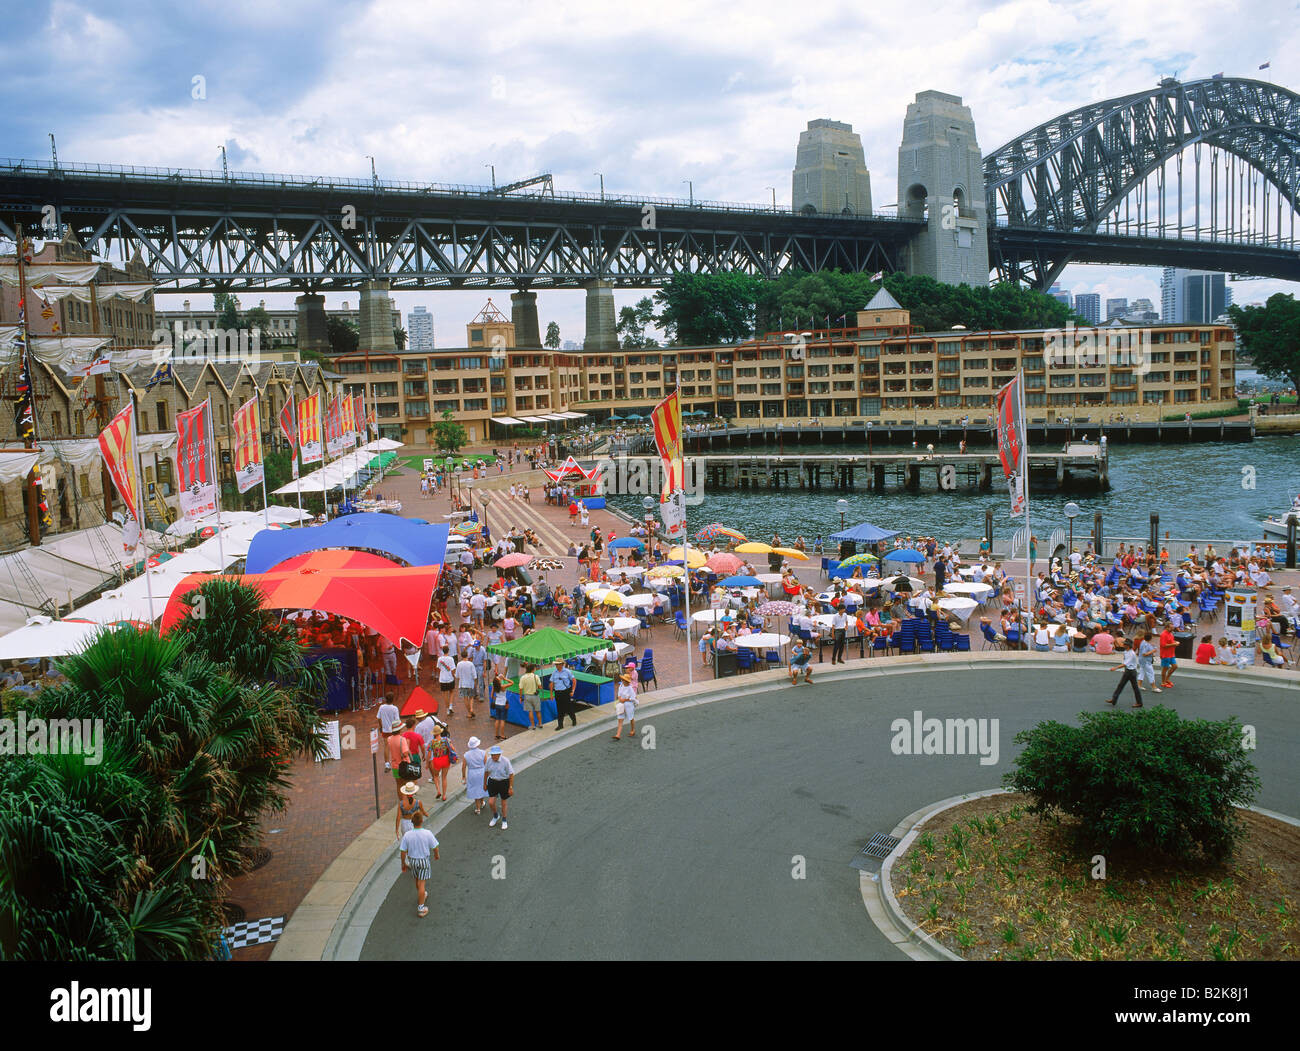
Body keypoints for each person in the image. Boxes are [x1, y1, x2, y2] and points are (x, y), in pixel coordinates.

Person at [399, 811, 440, 918]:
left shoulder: (407, 835)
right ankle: (421, 908)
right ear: (421, 821)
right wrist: (436, 855)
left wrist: (403, 863)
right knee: (422, 884)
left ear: (412, 822)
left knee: (417, 880)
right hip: (423, 860)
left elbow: (403, 851)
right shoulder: (427, 833)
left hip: (413, 860)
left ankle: (422, 895)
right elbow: (435, 846)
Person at [484, 744, 515, 830]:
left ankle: (504, 819)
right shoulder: (489, 760)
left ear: (499, 754)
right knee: (491, 802)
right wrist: (484, 784)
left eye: (495, 755)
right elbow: (486, 772)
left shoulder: (505, 761)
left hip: (503, 782)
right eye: (492, 755)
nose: (493, 756)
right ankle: (496, 816)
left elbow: (511, 774)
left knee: (503, 802)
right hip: (492, 782)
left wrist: (510, 787)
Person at [1105, 637, 1142, 708]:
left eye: (1124, 644)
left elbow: (1125, 663)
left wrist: (1115, 668)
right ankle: (1114, 699)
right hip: (1128, 671)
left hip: (1131, 672)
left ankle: (1139, 703)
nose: (1123, 645)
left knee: (1134, 688)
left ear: (1127, 646)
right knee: (1121, 685)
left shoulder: (1131, 654)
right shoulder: (1126, 651)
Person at [462, 735, 488, 815]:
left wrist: (463, 776)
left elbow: (463, 767)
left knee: (475, 789)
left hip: (472, 773)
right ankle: (482, 801)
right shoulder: (483, 753)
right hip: (482, 772)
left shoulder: (466, 755)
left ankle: (478, 808)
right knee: (482, 787)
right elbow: (486, 764)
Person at [428, 724, 456, 800]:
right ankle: (444, 795)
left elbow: (429, 755)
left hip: (437, 760)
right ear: (440, 732)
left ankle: (438, 791)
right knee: (444, 778)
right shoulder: (446, 740)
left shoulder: (432, 742)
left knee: (436, 776)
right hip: (445, 759)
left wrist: (428, 763)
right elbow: (453, 748)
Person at [550, 657, 577, 729]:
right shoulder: (554, 673)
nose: (556, 666)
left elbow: (574, 680)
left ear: (562, 664)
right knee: (559, 709)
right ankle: (560, 725)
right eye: (556, 664)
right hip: (557, 693)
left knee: (568, 708)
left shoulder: (567, 671)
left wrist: (573, 691)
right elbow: (552, 683)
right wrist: (551, 694)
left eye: (558, 664)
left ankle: (574, 719)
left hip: (565, 692)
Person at [376, 694, 401, 771]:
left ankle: (387, 764)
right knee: (396, 745)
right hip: (394, 730)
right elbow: (397, 720)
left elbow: (378, 718)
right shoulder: (394, 708)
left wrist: (381, 726)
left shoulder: (382, 707)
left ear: (385, 699)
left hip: (385, 730)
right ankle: (397, 762)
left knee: (386, 746)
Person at [517, 663, 543, 730]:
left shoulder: (523, 677)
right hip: (535, 695)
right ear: (533, 669)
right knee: (538, 711)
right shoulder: (536, 676)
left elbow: (520, 688)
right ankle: (540, 724)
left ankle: (533, 725)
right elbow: (540, 687)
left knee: (530, 711)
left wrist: (520, 697)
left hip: (527, 696)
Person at [613, 672, 637, 740]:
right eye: (622, 680)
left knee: (631, 718)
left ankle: (632, 730)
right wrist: (620, 698)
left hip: (629, 705)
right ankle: (618, 734)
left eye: (623, 680)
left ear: (627, 681)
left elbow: (633, 698)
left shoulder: (630, 688)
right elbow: (619, 694)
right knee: (620, 718)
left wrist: (625, 699)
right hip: (621, 704)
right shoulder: (621, 686)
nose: (622, 681)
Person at [454, 651, 477, 718]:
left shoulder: (459, 664)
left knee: (465, 698)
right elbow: (474, 675)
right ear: (467, 655)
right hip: (470, 683)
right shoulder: (471, 664)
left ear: (461, 656)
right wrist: (475, 682)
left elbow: (457, 676)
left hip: (462, 684)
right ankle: (472, 708)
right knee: (471, 697)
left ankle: (469, 712)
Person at [489, 669, 509, 741]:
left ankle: (496, 735)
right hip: (503, 703)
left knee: (497, 719)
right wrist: (504, 678)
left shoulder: (495, 687)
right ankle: (502, 735)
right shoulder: (503, 687)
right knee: (502, 720)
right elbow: (512, 683)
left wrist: (497, 698)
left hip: (497, 703)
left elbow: (491, 696)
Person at [1158, 624, 1178, 688]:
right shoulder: (1163, 635)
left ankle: (1167, 679)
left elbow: (1170, 641)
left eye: (1173, 627)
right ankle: (1163, 682)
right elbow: (1164, 645)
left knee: (1175, 666)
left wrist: (1175, 642)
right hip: (1165, 654)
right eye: (1171, 628)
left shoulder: (1171, 634)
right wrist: (1174, 644)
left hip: (1171, 654)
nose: (1173, 629)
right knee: (1165, 668)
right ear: (1167, 627)